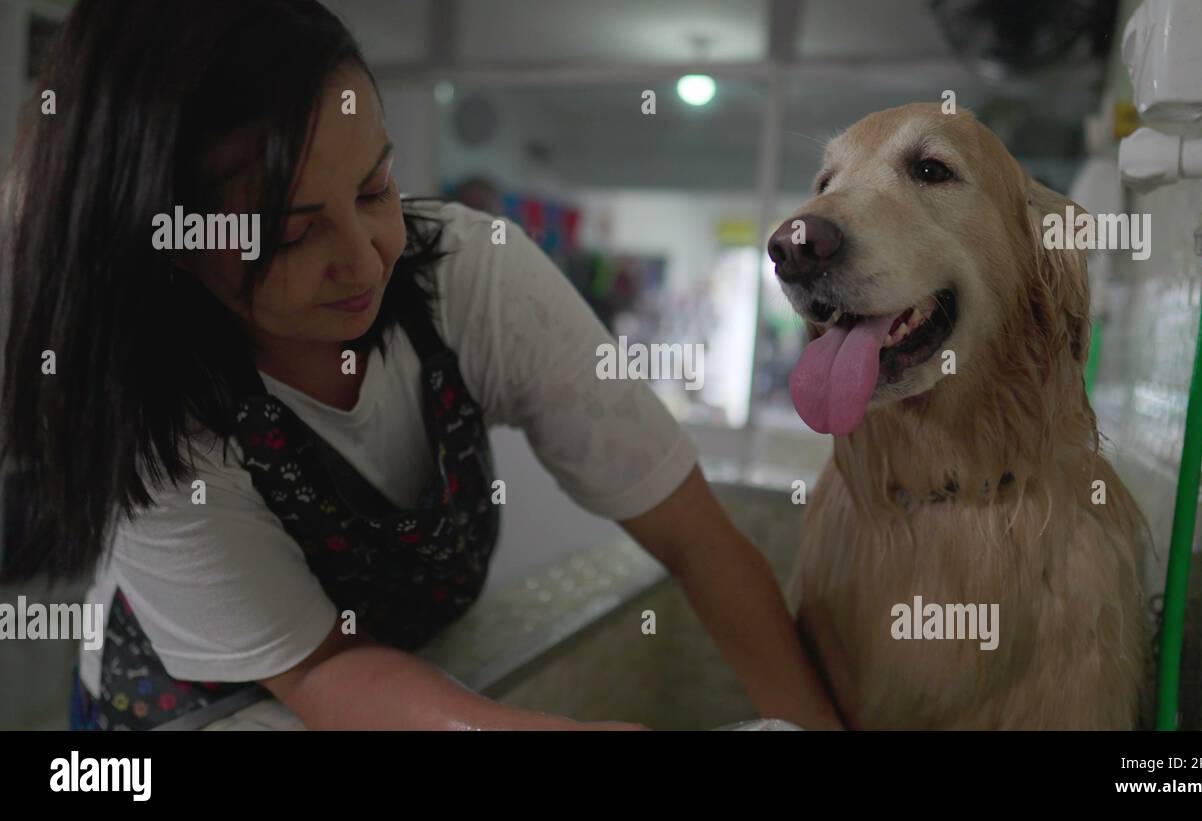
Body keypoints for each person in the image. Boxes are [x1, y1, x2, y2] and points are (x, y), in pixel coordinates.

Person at [0, 0, 844, 731]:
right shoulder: (153, 419)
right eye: (294, 234)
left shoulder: (473, 279)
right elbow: (322, 672)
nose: (366, 261)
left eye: (374, 190)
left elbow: (697, 537)